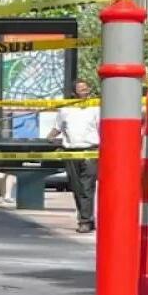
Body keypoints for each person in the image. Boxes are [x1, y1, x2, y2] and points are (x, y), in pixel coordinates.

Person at [47, 79, 99, 233]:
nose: (85, 90)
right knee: (76, 187)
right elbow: (57, 128)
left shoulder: (95, 107)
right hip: (71, 152)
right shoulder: (65, 110)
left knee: (87, 186)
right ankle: (85, 217)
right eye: (81, 88)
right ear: (74, 92)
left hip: (90, 150)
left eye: (86, 87)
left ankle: (85, 220)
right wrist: (49, 138)